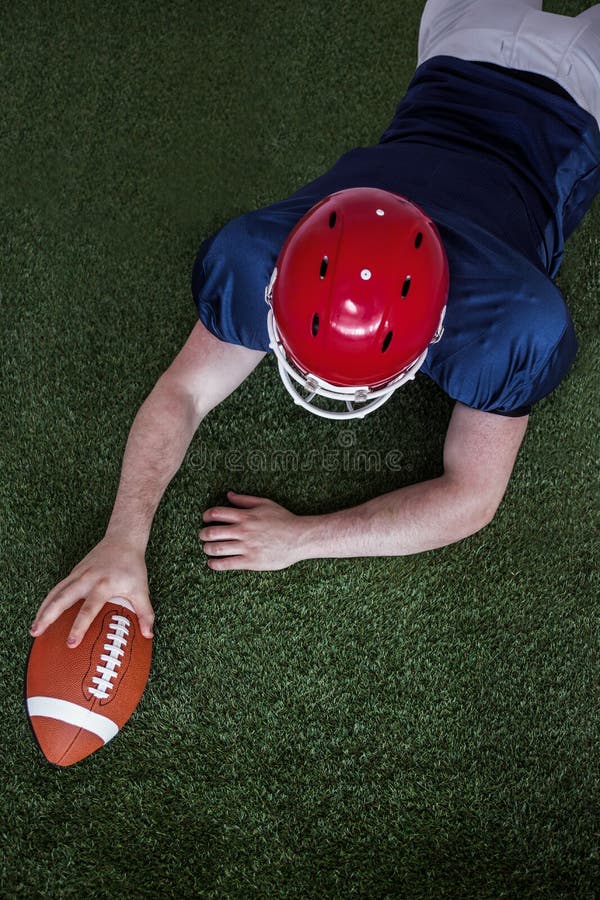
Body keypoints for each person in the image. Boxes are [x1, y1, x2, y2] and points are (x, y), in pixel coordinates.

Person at [30, 1, 600, 647]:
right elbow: (182, 396)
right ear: (283, 278)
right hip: (464, 48)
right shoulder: (259, 257)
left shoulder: (513, 324)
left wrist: (305, 538)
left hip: (570, 83)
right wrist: (121, 539)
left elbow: (471, 499)